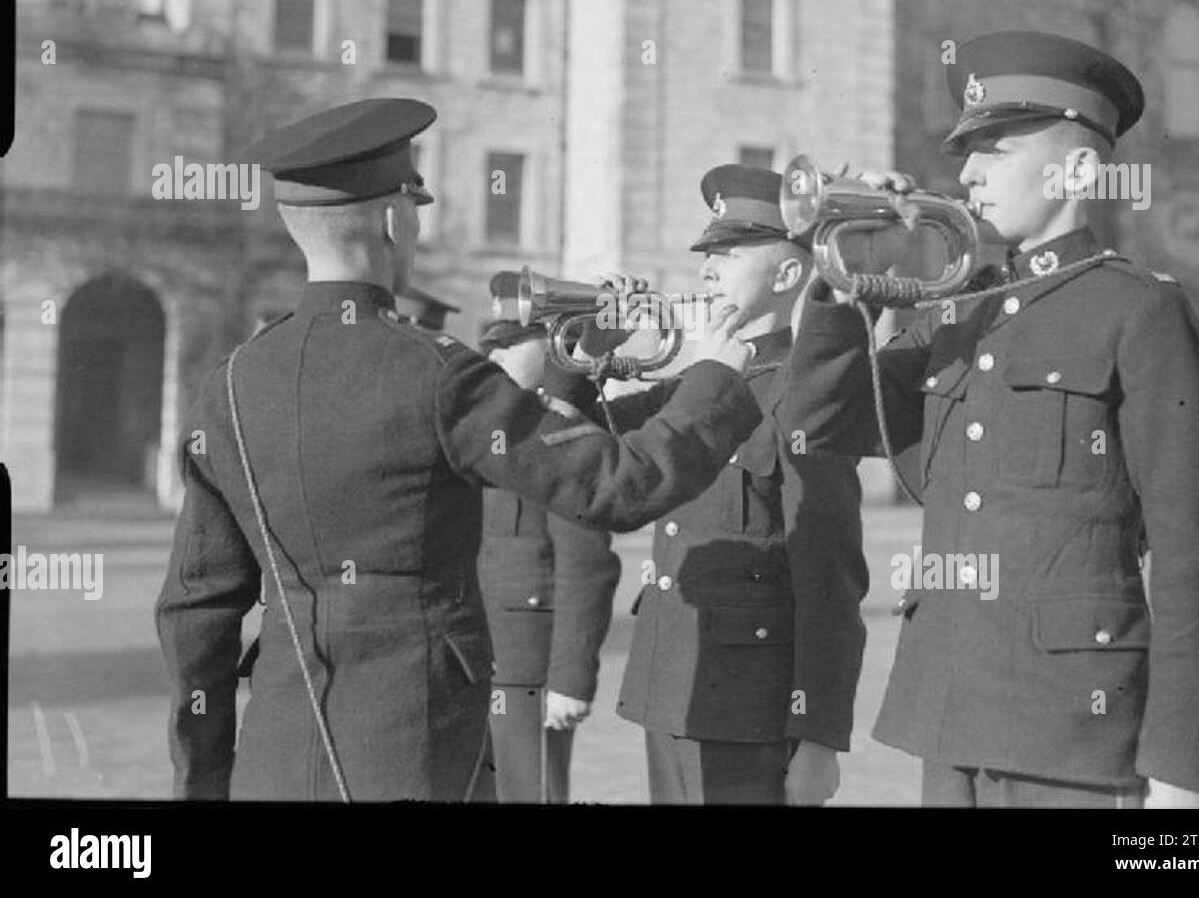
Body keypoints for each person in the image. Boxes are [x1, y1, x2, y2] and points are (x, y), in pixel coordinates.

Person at [155, 98, 763, 802]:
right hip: (419, 751)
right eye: (413, 206)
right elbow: (618, 486)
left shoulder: (229, 385)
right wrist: (715, 376)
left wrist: (201, 781)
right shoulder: (436, 371)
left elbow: (194, 609)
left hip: (277, 755)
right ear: (393, 219)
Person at [776, 32, 1199, 808]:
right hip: (948, 719)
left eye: (994, 150)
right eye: (968, 152)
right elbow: (816, 420)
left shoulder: (1141, 312)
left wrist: (1180, 773)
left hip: (1074, 738)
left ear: (1077, 170)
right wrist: (844, 278)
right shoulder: (959, 314)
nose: (965, 173)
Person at [552, 164, 868, 805]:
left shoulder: (807, 394)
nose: (707, 269)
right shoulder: (700, 383)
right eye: (707, 255)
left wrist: (820, 737)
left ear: (786, 275)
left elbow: (831, 576)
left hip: (751, 709)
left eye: (729, 254)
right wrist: (591, 351)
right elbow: (579, 447)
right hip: (671, 686)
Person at [473, 274, 621, 803]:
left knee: (531, 793)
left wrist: (571, 676)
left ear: (555, 344)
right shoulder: (491, 427)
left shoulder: (567, 429)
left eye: (513, 343)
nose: (496, 356)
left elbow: (587, 563)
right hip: (480, 662)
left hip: (530, 670)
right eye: (493, 345)